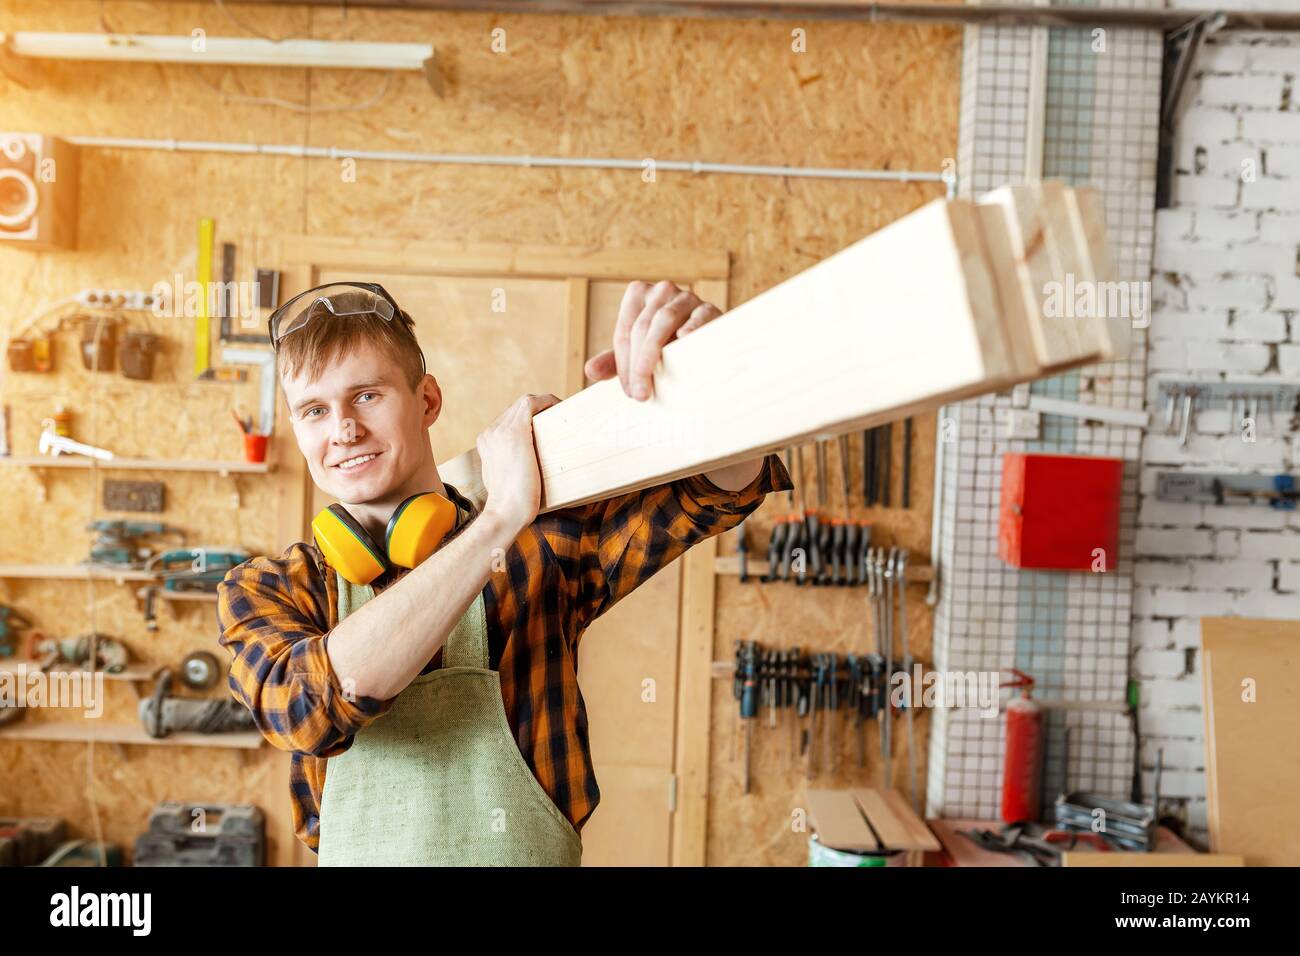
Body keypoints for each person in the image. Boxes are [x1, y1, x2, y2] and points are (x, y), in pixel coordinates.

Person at [217, 278, 792, 865]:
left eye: (366, 395)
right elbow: (308, 709)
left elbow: (715, 489)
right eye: (315, 410)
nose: (343, 430)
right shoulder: (271, 589)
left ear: (427, 401)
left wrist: (712, 374)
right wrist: (497, 519)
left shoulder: (539, 547)